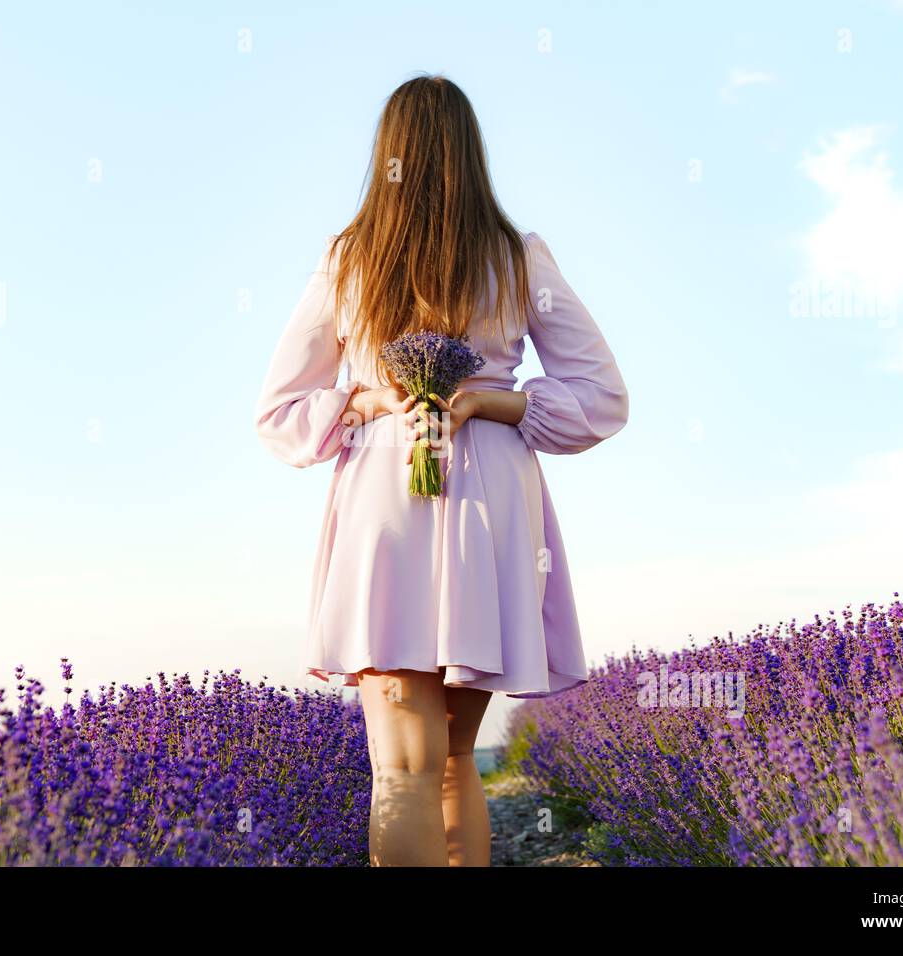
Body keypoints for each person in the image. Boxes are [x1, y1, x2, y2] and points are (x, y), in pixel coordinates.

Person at [254, 74, 629, 866]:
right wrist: (495, 404)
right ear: (470, 150)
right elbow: (602, 398)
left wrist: (358, 402)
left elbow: (280, 413)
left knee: (402, 771)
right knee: (456, 762)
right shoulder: (515, 256)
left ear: (387, 152)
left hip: (385, 499)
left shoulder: (349, 262)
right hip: (494, 503)